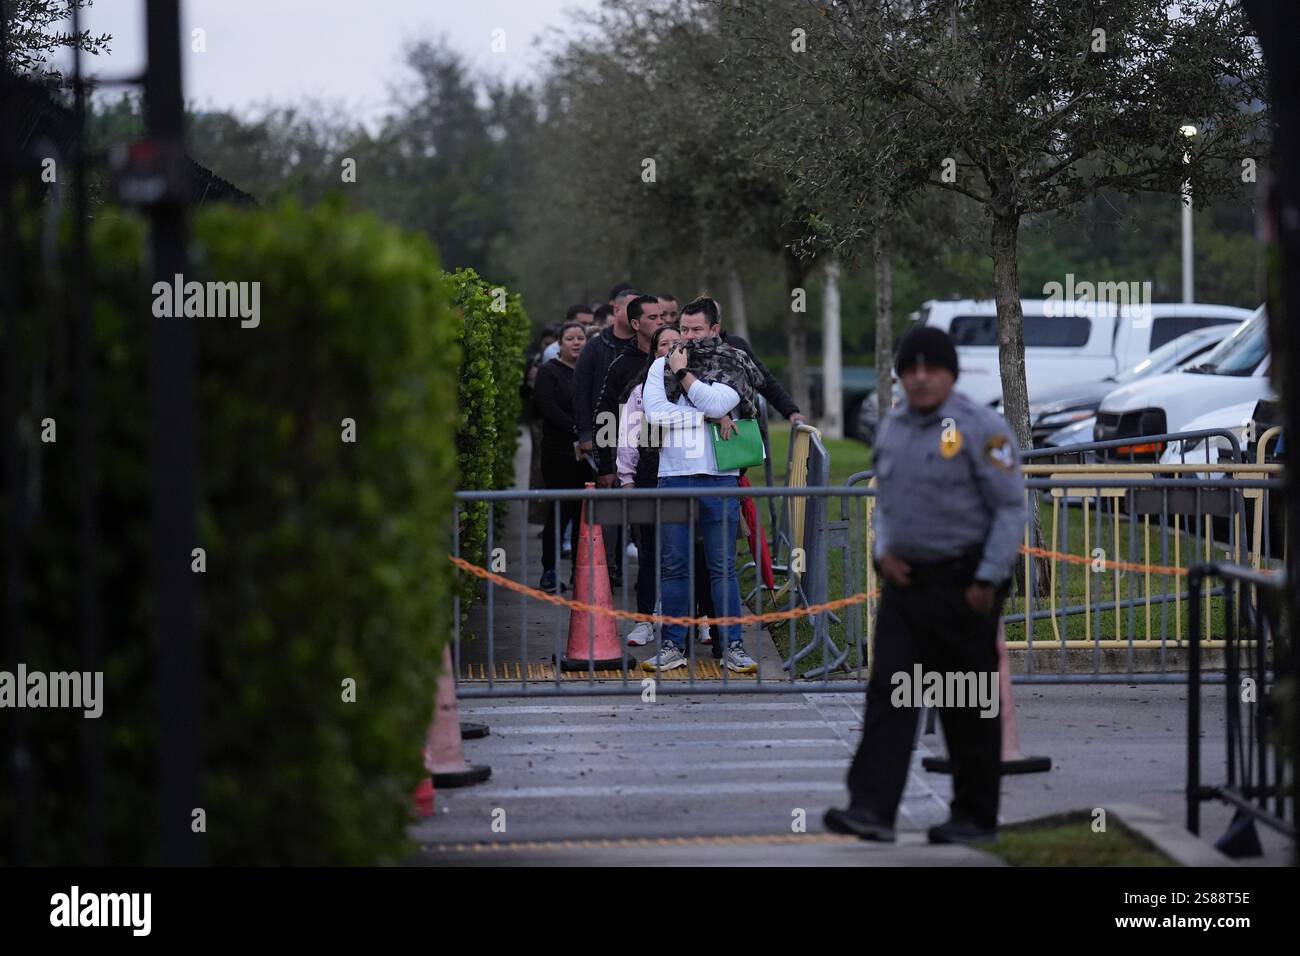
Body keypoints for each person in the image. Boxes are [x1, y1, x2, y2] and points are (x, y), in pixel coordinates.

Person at [823, 326, 1026, 845]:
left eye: (930, 368)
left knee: (966, 705)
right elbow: (886, 502)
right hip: (906, 583)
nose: (918, 378)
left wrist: (989, 580)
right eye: (909, 369)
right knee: (889, 695)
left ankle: (974, 818)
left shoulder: (982, 428)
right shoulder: (892, 428)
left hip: (967, 585)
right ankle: (870, 810)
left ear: (950, 374)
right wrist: (881, 552)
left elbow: (1008, 508)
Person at [641, 296, 765, 675]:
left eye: (697, 330)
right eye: (685, 329)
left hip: (720, 477)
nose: (689, 337)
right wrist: (709, 417)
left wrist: (684, 376)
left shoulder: (733, 363)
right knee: (674, 565)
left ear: (714, 329)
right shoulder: (660, 364)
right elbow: (654, 413)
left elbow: (717, 401)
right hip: (673, 476)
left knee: (722, 567)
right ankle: (672, 645)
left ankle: (733, 646)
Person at [575, 284, 641, 585]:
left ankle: (649, 569)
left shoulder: (646, 348)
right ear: (616, 310)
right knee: (610, 506)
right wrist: (587, 434)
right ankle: (609, 568)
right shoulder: (595, 347)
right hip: (606, 435)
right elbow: (582, 392)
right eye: (630, 307)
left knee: (642, 508)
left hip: (642, 440)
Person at [532, 322, 594, 593]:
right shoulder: (548, 372)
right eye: (570, 338)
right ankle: (549, 569)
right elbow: (547, 408)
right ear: (559, 344)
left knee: (584, 513)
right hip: (558, 452)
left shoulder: (589, 372)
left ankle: (582, 573)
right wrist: (579, 429)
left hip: (587, 454)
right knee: (559, 512)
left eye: (581, 338)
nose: (577, 343)